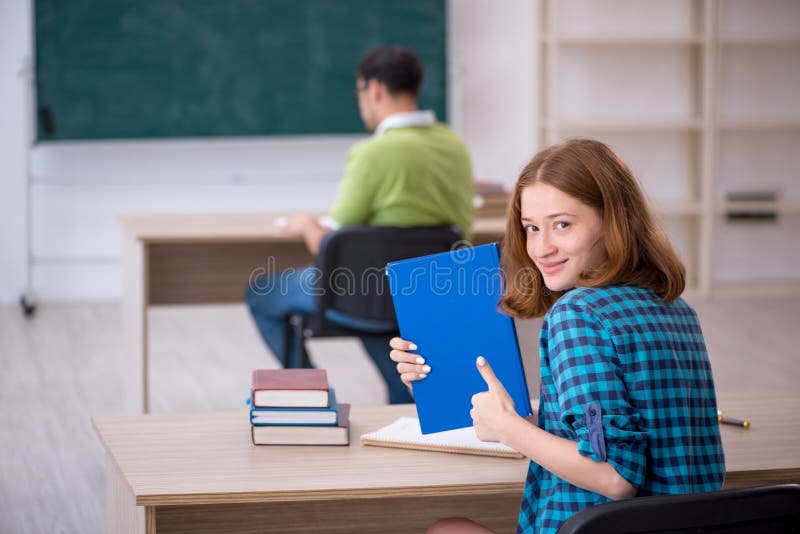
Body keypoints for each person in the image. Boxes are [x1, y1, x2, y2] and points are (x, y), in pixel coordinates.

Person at [389, 139, 725, 533]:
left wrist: (510, 430)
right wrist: (441, 384)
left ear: (612, 220)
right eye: (531, 228)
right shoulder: (677, 308)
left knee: (444, 529)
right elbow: (604, 432)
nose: (541, 248)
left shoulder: (578, 313)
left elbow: (615, 476)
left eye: (562, 224)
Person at [246, 46, 474, 402]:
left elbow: (327, 242)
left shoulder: (373, 153)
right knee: (385, 315)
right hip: (429, 292)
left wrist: (306, 224)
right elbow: (463, 227)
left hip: (365, 290)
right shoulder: (454, 144)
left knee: (262, 294)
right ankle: (404, 406)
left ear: (375, 89)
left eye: (359, 93)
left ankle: (314, 399)